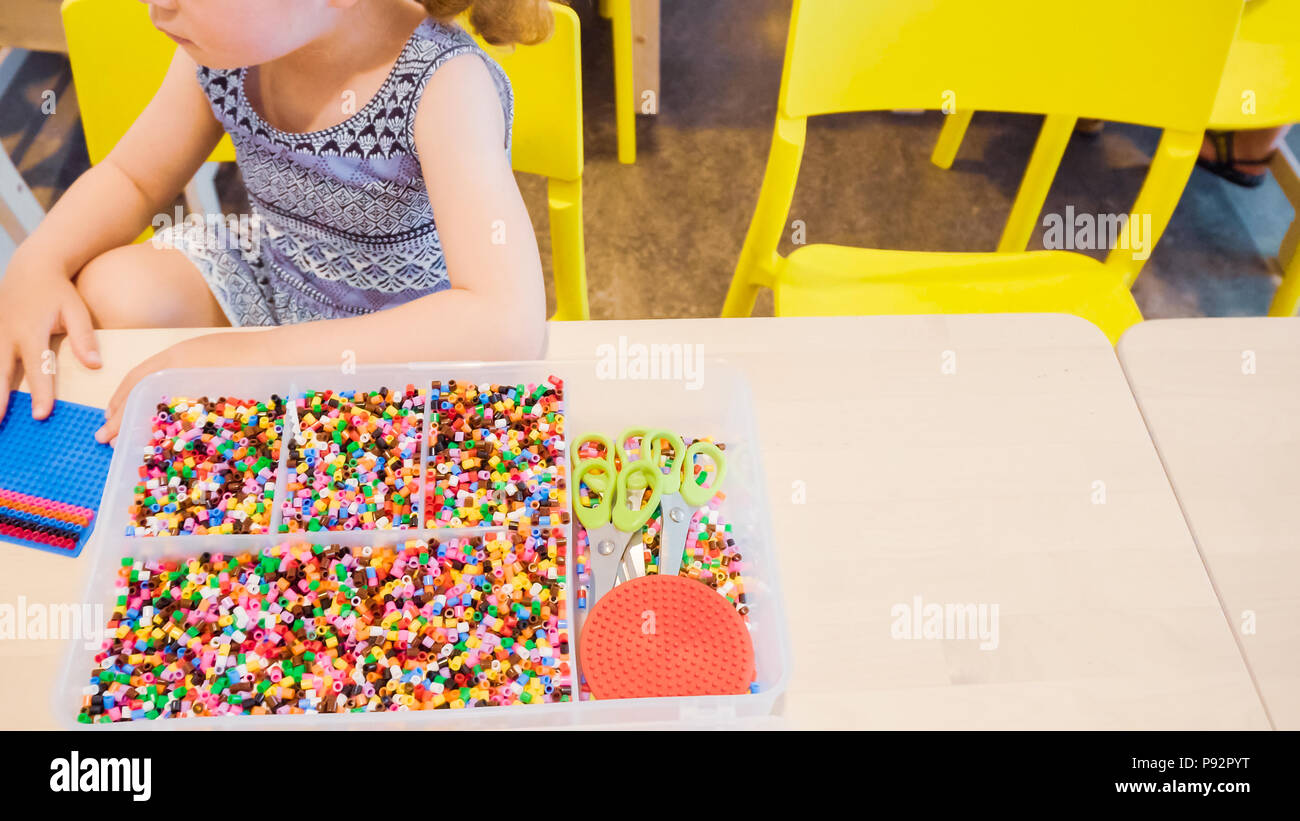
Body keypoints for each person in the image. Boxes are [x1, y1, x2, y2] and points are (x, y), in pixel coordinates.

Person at [0, 0, 551, 443]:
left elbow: (505, 321)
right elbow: (133, 178)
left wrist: (246, 359)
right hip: (279, 276)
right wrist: (36, 262)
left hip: (404, 335)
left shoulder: (445, 83)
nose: (157, 7)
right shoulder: (220, 52)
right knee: (108, 288)